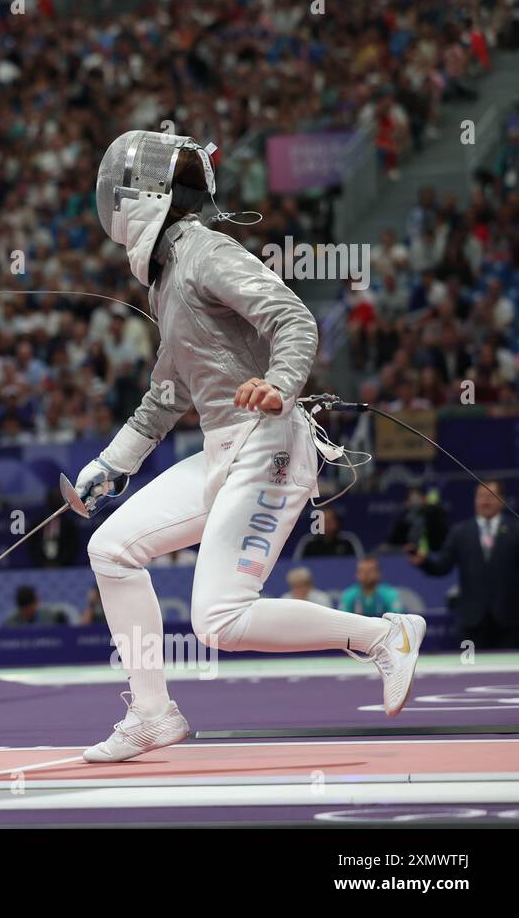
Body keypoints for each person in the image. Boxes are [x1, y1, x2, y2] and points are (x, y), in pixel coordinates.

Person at [68, 130, 425, 763]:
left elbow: (293, 318)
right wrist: (109, 464)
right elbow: (167, 392)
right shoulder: (166, 275)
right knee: (113, 548)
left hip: (271, 444)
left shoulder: (206, 251)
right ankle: (152, 714)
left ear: (144, 197)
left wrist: (279, 385)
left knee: (219, 620)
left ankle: (383, 635)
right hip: (223, 450)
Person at [408, 481, 519, 649]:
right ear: (475, 500)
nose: (485, 501)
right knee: (471, 671)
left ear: (502, 500)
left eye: (490, 496)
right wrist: (424, 562)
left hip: (511, 621)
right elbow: (442, 566)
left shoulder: (516, 529)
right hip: (471, 623)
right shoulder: (460, 532)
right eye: (481, 496)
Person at [338, 557, 402, 617]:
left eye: (370, 570)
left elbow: (396, 617)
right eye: (361, 571)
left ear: (378, 573)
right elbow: (342, 618)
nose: (366, 574)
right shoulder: (348, 594)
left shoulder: (390, 594)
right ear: (357, 574)